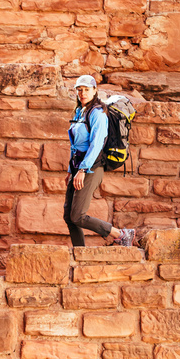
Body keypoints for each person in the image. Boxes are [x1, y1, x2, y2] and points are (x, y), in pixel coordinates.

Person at [63, 74, 135, 248]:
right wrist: (70, 170)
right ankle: (79, 251)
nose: (82, 93)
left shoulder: (98, 113)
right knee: (69, 216)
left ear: (95, 90)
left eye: (86, 90)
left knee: (78, 215)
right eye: (79, 90)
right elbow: (76, 145)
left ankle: (121, 234)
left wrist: (82, 171)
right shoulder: (81, 111)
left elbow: (96, 144)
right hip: (77, 167)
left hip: (91, 168)